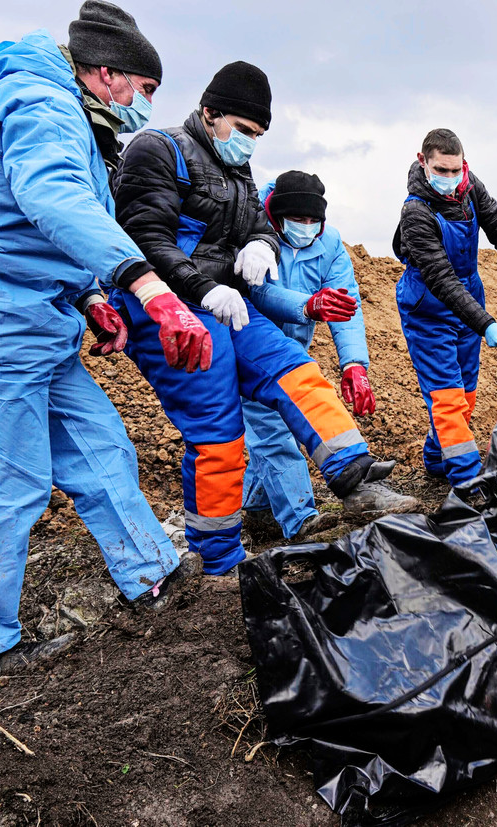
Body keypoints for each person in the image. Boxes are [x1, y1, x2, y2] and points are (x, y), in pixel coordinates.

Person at [0, 2, 212, 672]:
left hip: (36, 322)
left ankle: (154, 575)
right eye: (144, 90)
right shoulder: (42, 103)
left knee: (100, 444)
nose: (145, 105)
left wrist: (93, 297)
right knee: (2, 479)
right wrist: (146, 286)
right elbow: (52, 198)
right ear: (105, 73)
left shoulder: (75, 124)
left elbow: (35, 229)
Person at [111, 62, 413, 577]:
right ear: (210, 114)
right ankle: (221, 561)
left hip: (228, 302)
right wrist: (203, 288)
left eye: (258, 136)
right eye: (245, 131)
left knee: (294, 369)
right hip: (167, 308)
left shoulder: (236, 170)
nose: (249, 144)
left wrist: (259, 242)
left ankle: (356, 479)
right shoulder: (157, 149)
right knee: (218, 432)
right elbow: (144, 238)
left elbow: (257, 223)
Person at [244, 171, 409, 540]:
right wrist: (307, 305)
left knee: (278, 426)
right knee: (271, 432)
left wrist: (354, 364)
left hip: (292, 351)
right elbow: (256, 292)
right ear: (275, 213)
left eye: (313, 221)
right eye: (297, 220)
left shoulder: (329, 242)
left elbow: (345, 304)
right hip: (251, 349)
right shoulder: (254, 234)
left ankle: (256, 511)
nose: (306, 227)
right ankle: (301, 521)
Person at [393, 128, 497, 489]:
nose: (450, 179)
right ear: (424, 163)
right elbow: (440, 277)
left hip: (469, 297)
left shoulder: (470, 187)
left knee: (465, 391)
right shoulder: (416, 212)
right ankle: (468, 481)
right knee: (447, 397)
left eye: (456, 170)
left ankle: (437, 457)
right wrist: (485, 323)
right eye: (441, 170)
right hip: (429, 308)